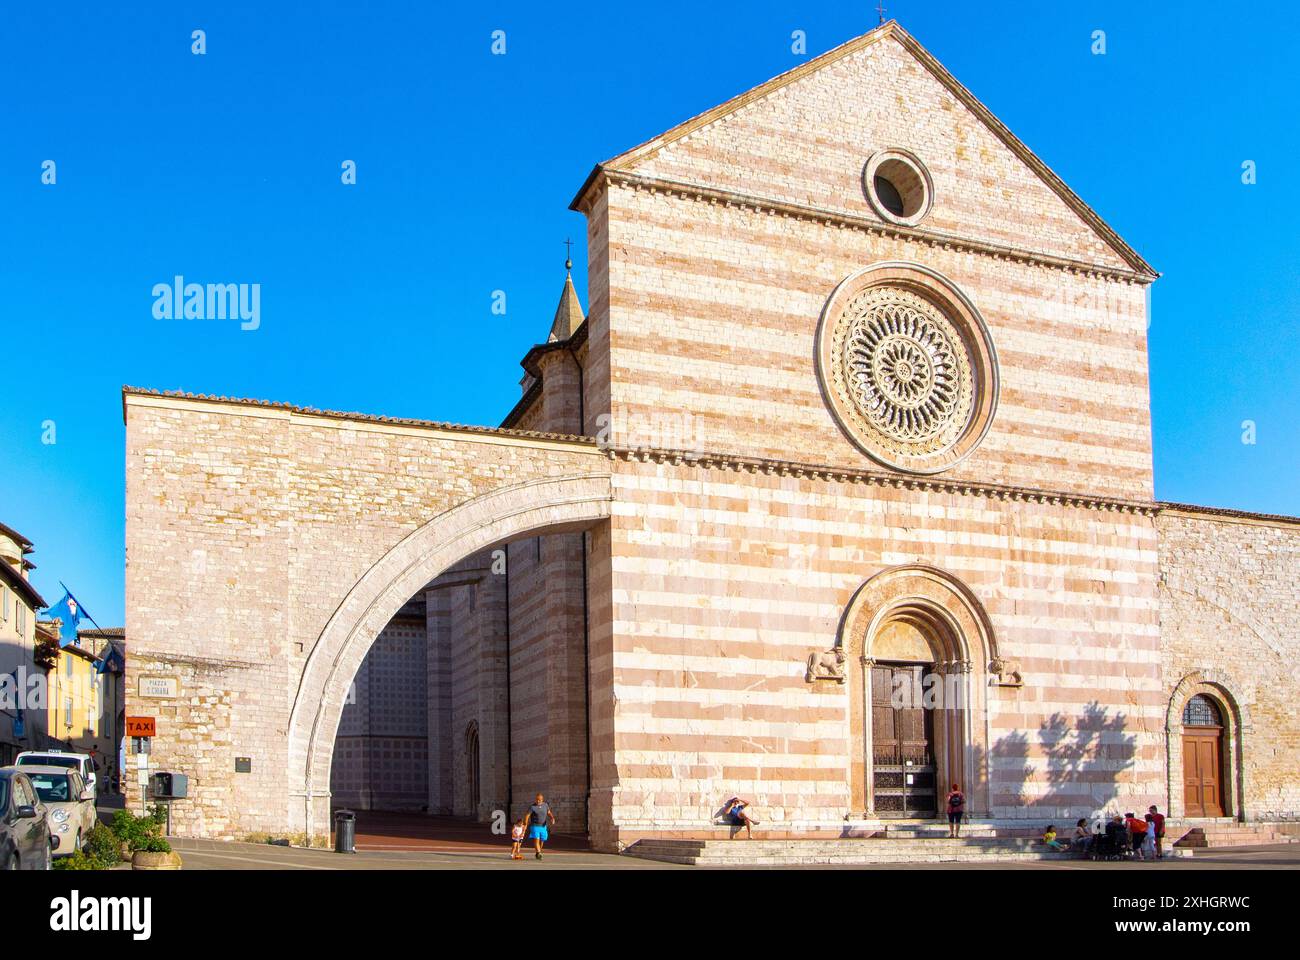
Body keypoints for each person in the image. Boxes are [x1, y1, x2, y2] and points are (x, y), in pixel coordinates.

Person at [526, 793, 555, 860]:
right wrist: (525, 823)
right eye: (536, 799)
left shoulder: (545, 805)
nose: (537, 801)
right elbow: (527, 815)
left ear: (542, 800)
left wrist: (552, 818)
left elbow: (549, 812)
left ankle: (538, 852)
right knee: (536, 840)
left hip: (543, 826)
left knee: (542, 840)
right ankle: (538, 852)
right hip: (534, 826)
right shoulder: (532, 807)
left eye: (539, 800)